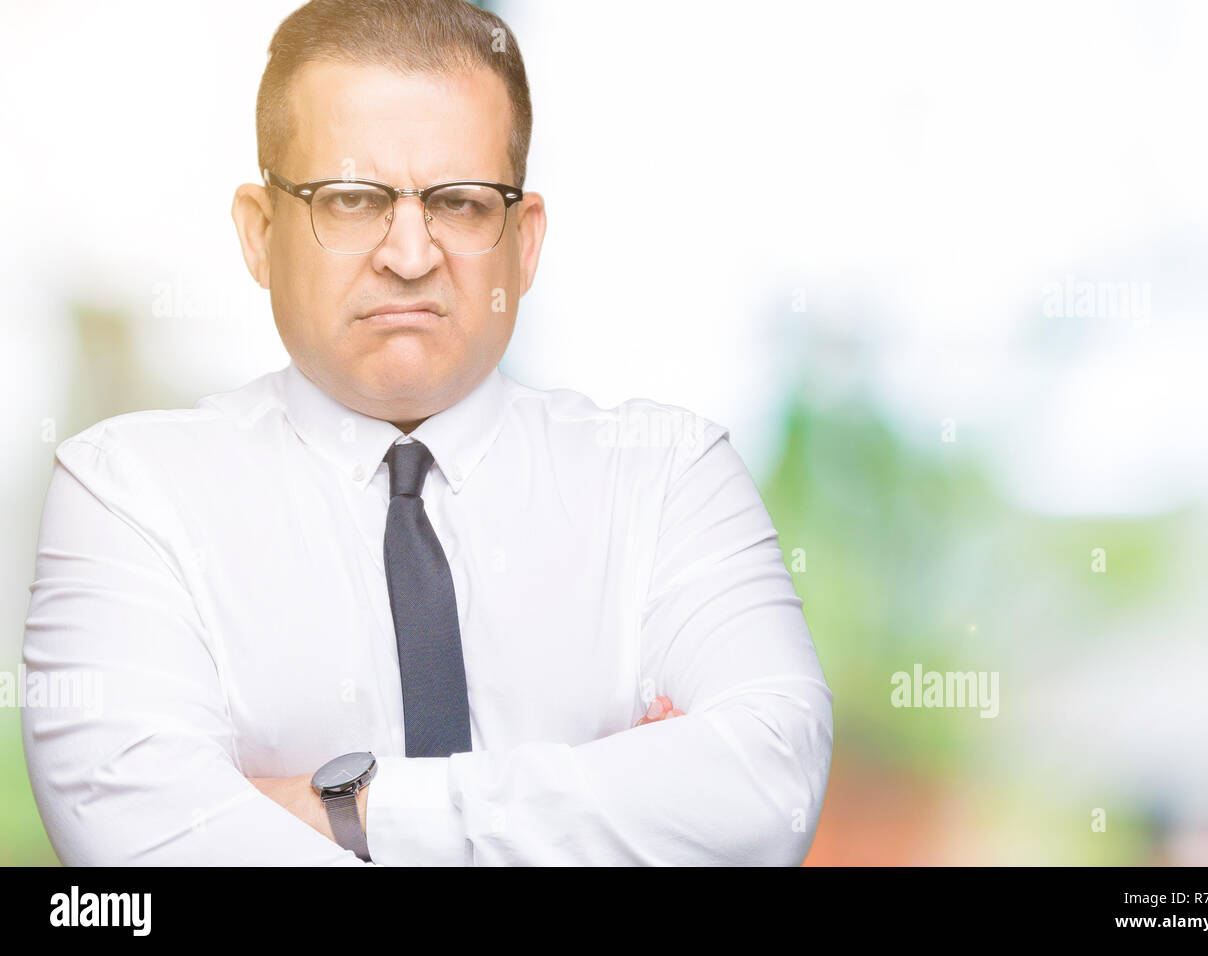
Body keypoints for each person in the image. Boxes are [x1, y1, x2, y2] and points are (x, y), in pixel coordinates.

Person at [20, 0, 832, 866]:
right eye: (351, 198)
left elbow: (766, 786)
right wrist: (614, 799)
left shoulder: (668, 477)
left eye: (460, 202)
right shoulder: (130, 494)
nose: (410, 254)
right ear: (259, 234)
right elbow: (149, 850)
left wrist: (352, 810)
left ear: (523, 243)